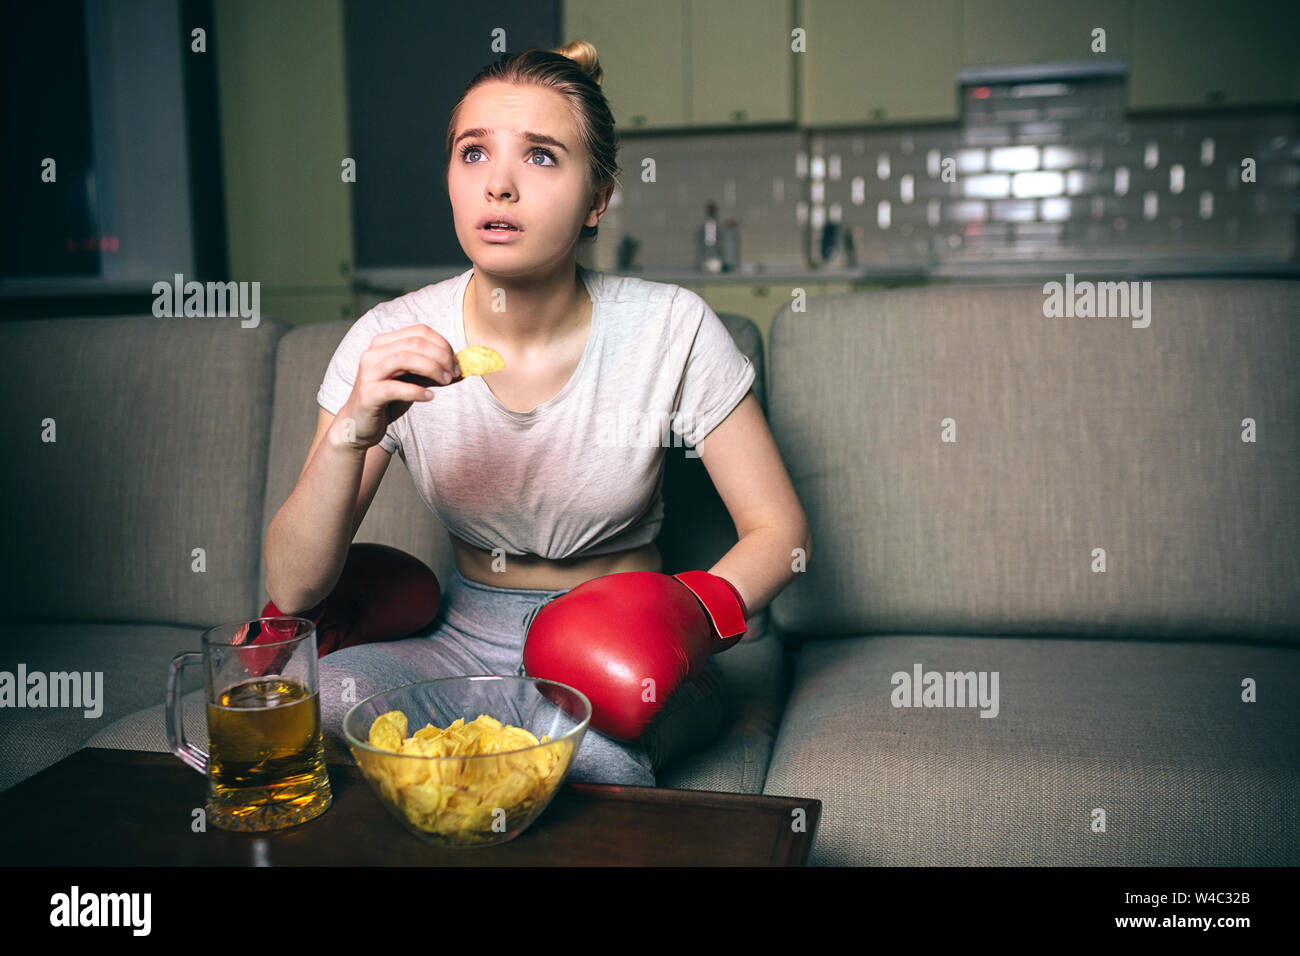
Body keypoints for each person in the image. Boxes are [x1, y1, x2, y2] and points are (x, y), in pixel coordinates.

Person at [263, 40, 812, 786]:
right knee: (317, 704)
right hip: (464, 638)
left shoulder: (669, 327)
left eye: (543, 157)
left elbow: (780, 533)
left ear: (598, 197)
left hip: (626, 649)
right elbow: (293, 591)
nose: (500, 186)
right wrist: (350, 435)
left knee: (577, 766)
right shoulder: (387, 340)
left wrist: (681, 619)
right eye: (474, 154)